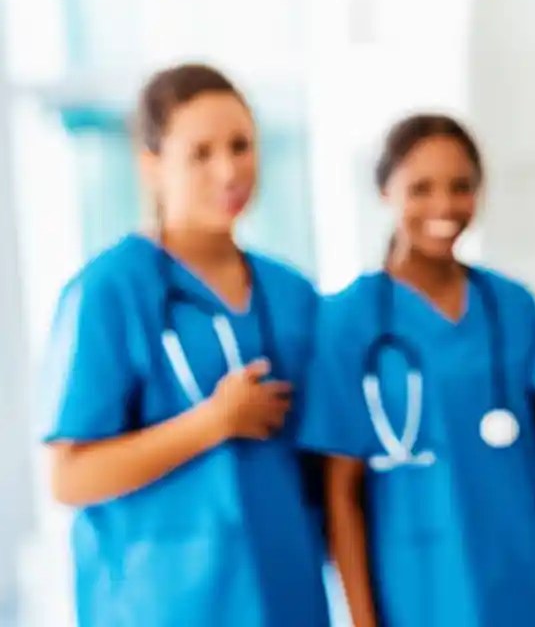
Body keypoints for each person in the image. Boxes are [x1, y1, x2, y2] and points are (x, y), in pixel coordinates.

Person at [39, 64, 330, 626]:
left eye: (241, 146)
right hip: (162, 605)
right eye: (200, 153)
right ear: (150, 165)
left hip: (286, 593)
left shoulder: (291, 293)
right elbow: (70, 476)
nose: (229, 170)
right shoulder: (110, 291)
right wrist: (215, 422)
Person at [295, 114, 535, 627]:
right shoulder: (348, 320)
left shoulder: (513, 306)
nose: (444, 206)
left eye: (461, 187)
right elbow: (341, 494)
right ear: (383, 191)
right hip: (422, 591)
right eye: (420, 188)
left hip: (529, 579)